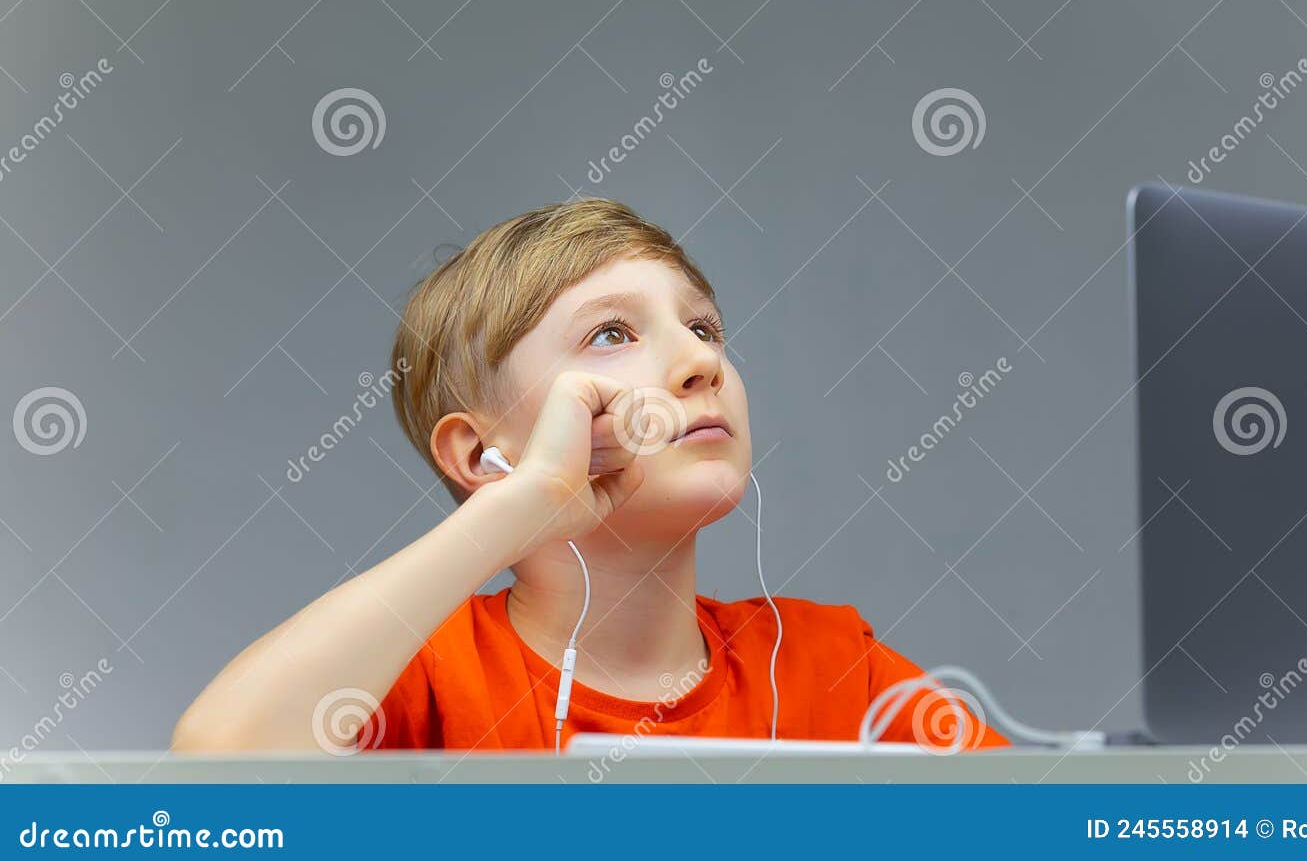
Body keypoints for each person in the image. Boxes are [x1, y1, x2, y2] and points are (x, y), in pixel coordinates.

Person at [171, 199, 1003, 753]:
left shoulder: (829, 668)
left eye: (704, 325)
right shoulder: (423, 677)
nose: (699, 362)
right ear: (476, 456)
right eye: (611, 334)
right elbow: (219, 762)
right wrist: (521, 502)